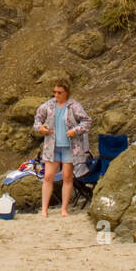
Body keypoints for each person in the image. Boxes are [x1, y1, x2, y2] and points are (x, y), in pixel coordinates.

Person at [33, 79, 91, 217]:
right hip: (52, 147)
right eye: (55, 92)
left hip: (70, 148)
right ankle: (44, 209)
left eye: (59, 92)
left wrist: (75, 130)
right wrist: (41, 128)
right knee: (48, 177)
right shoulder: (48, 105)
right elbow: (37, 120)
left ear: (66, 92)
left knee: (67, 177)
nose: (56, 95)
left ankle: (64, 209)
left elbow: (87, 121)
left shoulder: (74, 106)